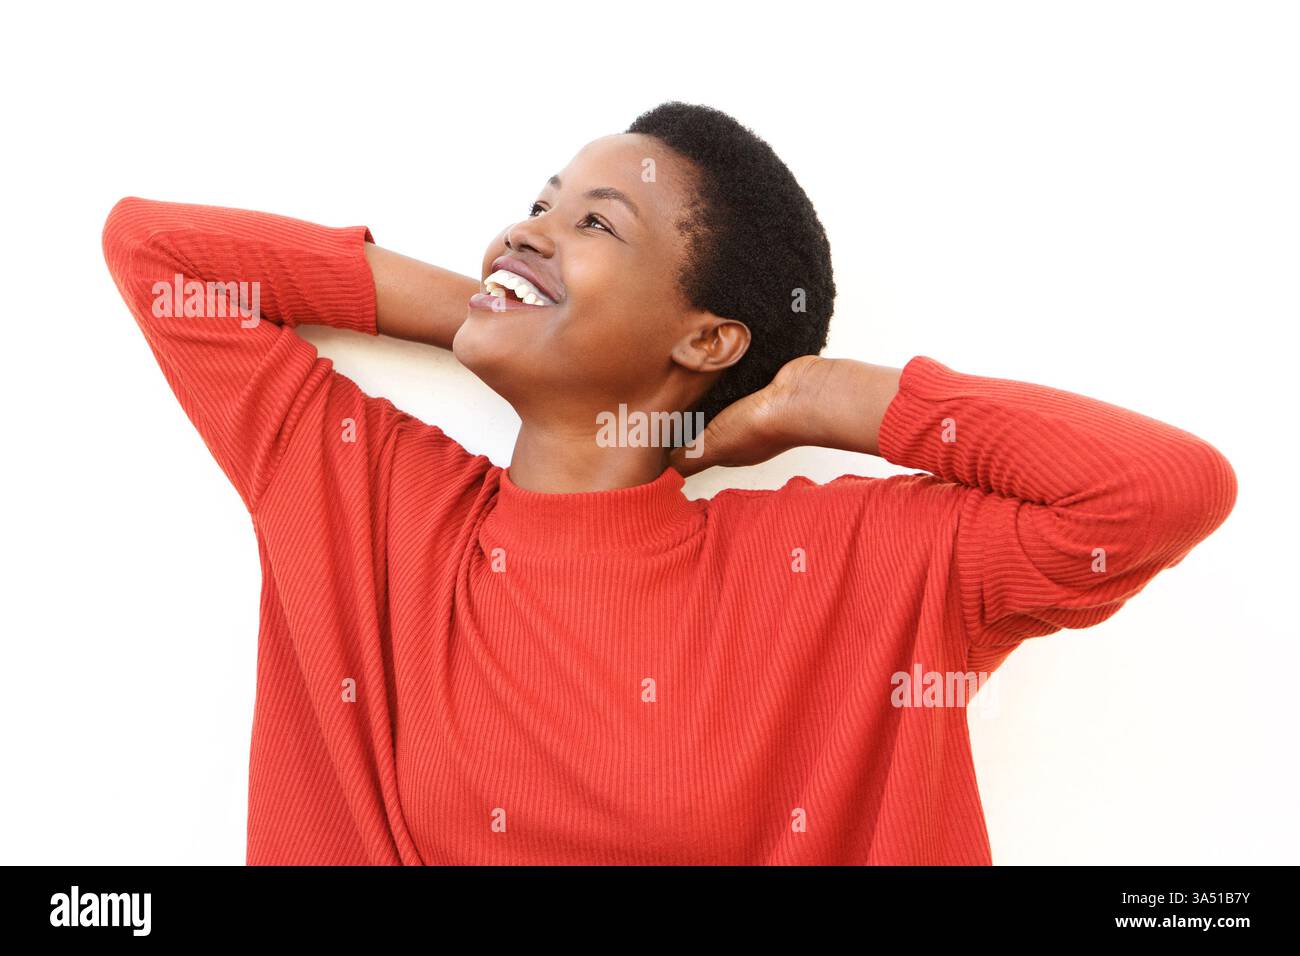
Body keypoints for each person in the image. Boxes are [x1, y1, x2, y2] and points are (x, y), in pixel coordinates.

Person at [101, 101, 1237, 865]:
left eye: (594, 221)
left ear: (705, 338)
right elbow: (160, 256)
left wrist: (823, 395)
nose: (527, 226)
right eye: (538, 202)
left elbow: (1154, 490)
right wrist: (495, 301)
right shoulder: (372, 502)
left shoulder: (848, 568)